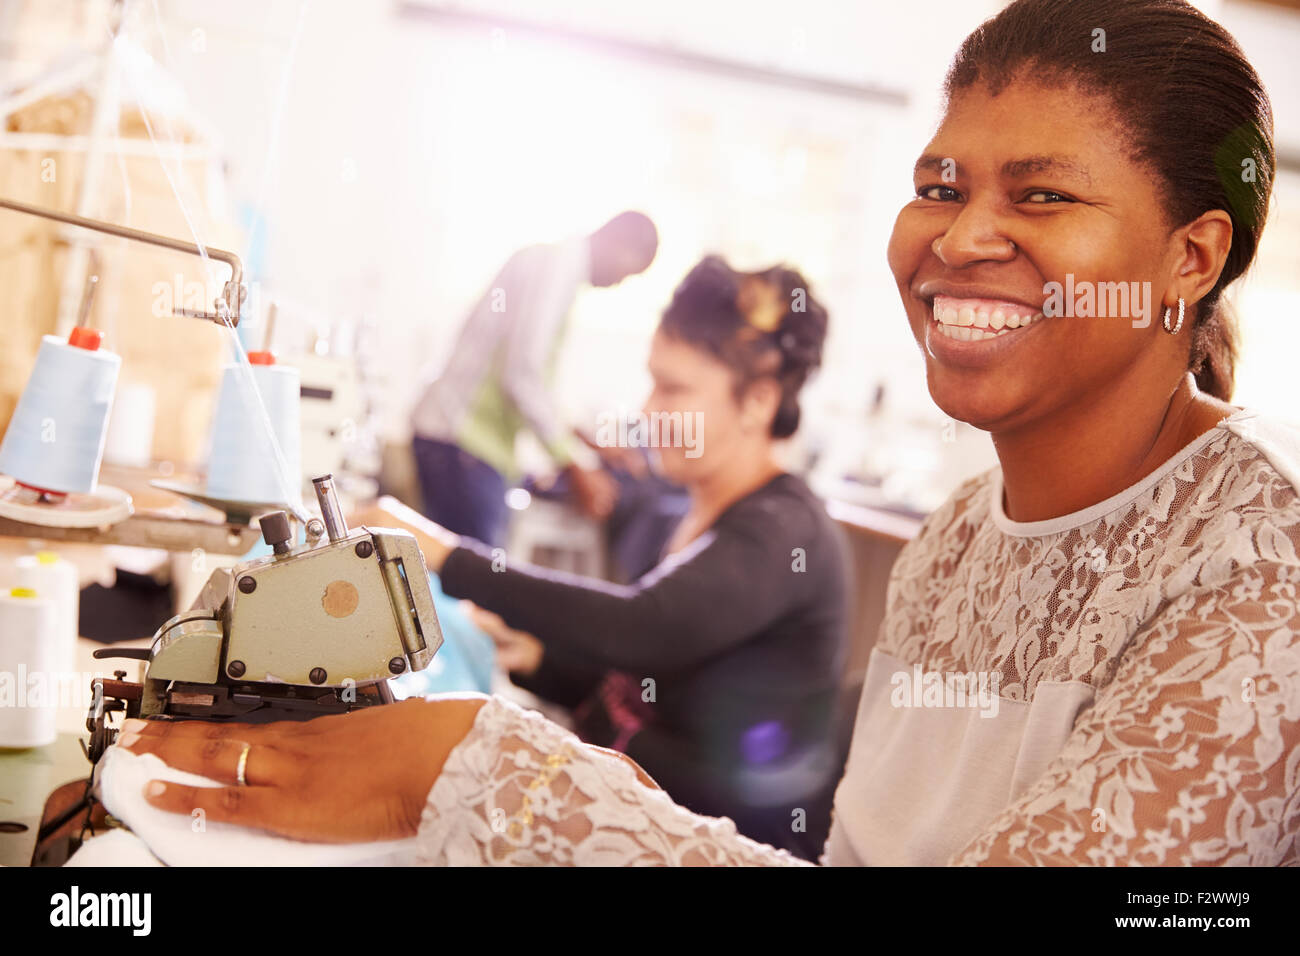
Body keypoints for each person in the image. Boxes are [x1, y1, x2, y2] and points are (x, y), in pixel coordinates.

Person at [119, 0, 1300, 866]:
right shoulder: (954, 541)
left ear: (1188, 258)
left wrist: (487, 769)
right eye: (940, 184)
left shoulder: (1257, 578)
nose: (960, 236)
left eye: (1040, 195)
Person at [385, 256, 849, 860]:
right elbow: (654, 693)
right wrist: (541, 659)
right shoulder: (698, 512)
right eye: (653, 382)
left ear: (757, 400)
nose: (650, 411)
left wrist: (446, 554)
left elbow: (641, 628)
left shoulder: (784, 533)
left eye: (675, 388)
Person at [408, 210, 659, 546]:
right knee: (475, 584)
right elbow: (522, 377)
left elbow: (534, 379)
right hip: (463, 443)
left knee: (463, 581)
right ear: (616, 240)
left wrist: (587, 439)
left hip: (465, 446)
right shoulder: (555, 267)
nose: (620, 282)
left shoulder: (558, 270)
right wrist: (575, 465)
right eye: (627, 271)